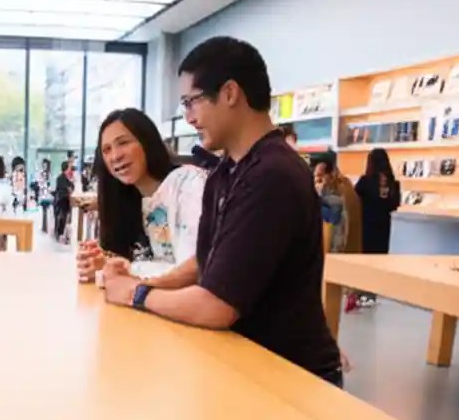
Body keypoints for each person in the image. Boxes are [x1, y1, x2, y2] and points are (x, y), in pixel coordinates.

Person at [101, 36, 342, 386]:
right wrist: (142, 281)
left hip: (289, 376)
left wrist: (136, 294)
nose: (188, 117)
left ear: (229, 93)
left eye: (192, 103)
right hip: (243, 361)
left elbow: (216, 305)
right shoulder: (227, 171)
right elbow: (208, 264)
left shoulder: (272, 175)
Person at [75, 108, 208, 282]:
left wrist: (127, 272)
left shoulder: (188, 183)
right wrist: (105, 263)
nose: (115, 156)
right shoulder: (128, 203)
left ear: (147, 141)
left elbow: (193, 268)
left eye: (123, 142)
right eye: (106, 150)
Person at [354, 148, 402, 305]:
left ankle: (362, 293)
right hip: (384, 226)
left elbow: (355, 200)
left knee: (365, 260)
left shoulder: (365, 181)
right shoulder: (393, 184)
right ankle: (372, 294)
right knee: (379, 259)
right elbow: (395, 205)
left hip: (366, 225)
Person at [312, 152, 349, 253]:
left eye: (320, 175)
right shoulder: (320, 192)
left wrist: (318, 197)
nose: (317, 179)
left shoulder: (341, 190)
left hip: (334, 248)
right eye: (315, 176)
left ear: (331, 175)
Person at [53, 160, 74, 244]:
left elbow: (72, 187)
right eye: (69, 167)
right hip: (62, 201)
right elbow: (65, 189)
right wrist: (69, 189)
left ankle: (63, 234)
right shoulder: (61, 178)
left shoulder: (67, 177)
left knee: (65, 218)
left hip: (66, 201)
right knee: (62, 218)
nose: (71, 169)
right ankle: (60, 234)